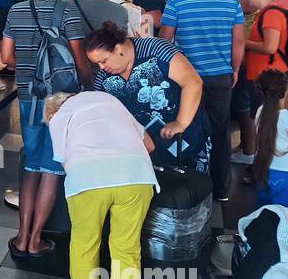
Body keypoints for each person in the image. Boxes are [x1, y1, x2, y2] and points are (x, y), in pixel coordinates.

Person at [0, 0, 91, 258]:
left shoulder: (17, 10)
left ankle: (21, 236)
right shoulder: (68, 13)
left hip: (28, 98)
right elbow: (79, 63)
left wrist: (28, 69)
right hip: (60, 103)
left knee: (30, 167)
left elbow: (6, 57)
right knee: (51, 169)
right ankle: (36, 239)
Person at [45, 91, 158, 279]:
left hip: (88, 179)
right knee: (127, 250)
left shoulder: (60, 116)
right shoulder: (110, 100)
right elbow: (150, 146)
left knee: (85, 248)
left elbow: (61, 158)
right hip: (136, 177)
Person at [160, 0, 244, 201]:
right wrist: (235, 69)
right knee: (219, 133)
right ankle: (220, 189)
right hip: (220, 76)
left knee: (185, 127)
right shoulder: (231, 0)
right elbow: (238, 41)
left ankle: (185, 186)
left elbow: (165, 39)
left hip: (185, 78)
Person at [86, 21, 211, 174]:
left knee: (193, 186)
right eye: (96, 64)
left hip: (186, 138)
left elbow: (193, 82)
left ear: (118, 49)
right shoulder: (102, 80)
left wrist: (180, 123)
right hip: (144, 153)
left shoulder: (156, 50)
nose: (101, 67)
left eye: (103, 61)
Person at [251, 69, 288, 209]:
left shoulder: (260, 111)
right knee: (283, 212)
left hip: (263, 167)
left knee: (263, 209)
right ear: (286, 90)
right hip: (285, 172)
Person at [230, 0, 263, 164]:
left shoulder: (246, 0)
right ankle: (248, 147)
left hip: (247, 63)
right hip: (254, 63)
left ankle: (248, 151)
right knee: (250, 108)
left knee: (244, 108)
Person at [244, 0, 288, 83]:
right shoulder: (265, 12)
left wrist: (243, 42)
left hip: (268, 79)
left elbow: (270, 47)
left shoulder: (271, 14)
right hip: (263, 75)